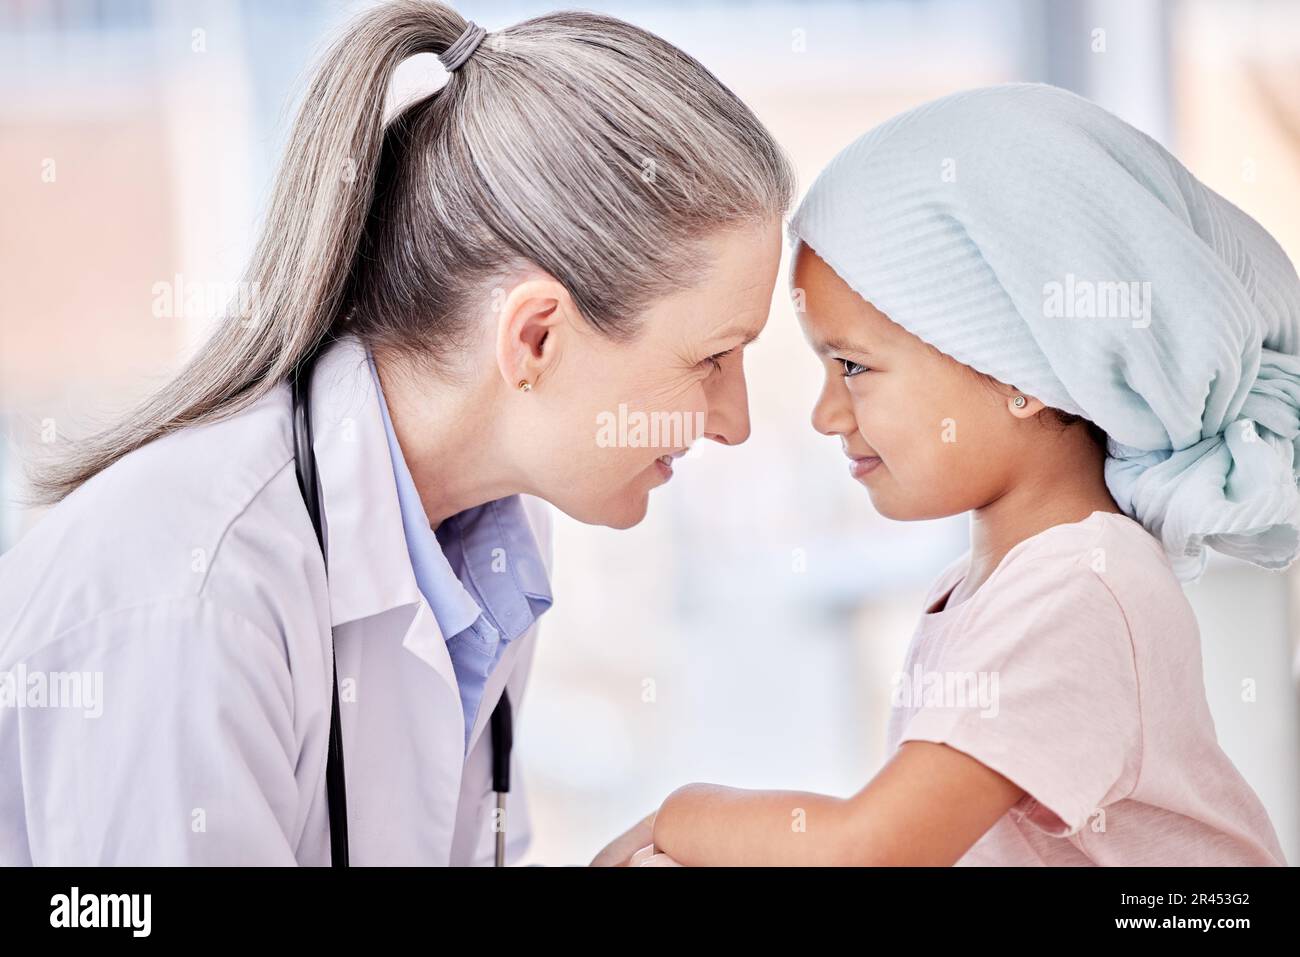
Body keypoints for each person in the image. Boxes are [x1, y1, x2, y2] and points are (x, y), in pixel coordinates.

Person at [0, 0, 793, 865]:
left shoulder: (492, 546)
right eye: (714, 358)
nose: (735, 423)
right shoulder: (194, 588)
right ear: (535, 337)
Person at [632, 83, 1295, 866]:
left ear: (1021, 371)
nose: (827, 415)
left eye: (853, 366)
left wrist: (676, 818)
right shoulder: (1000, 584)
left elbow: (869, 851)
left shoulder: (1078, 589)